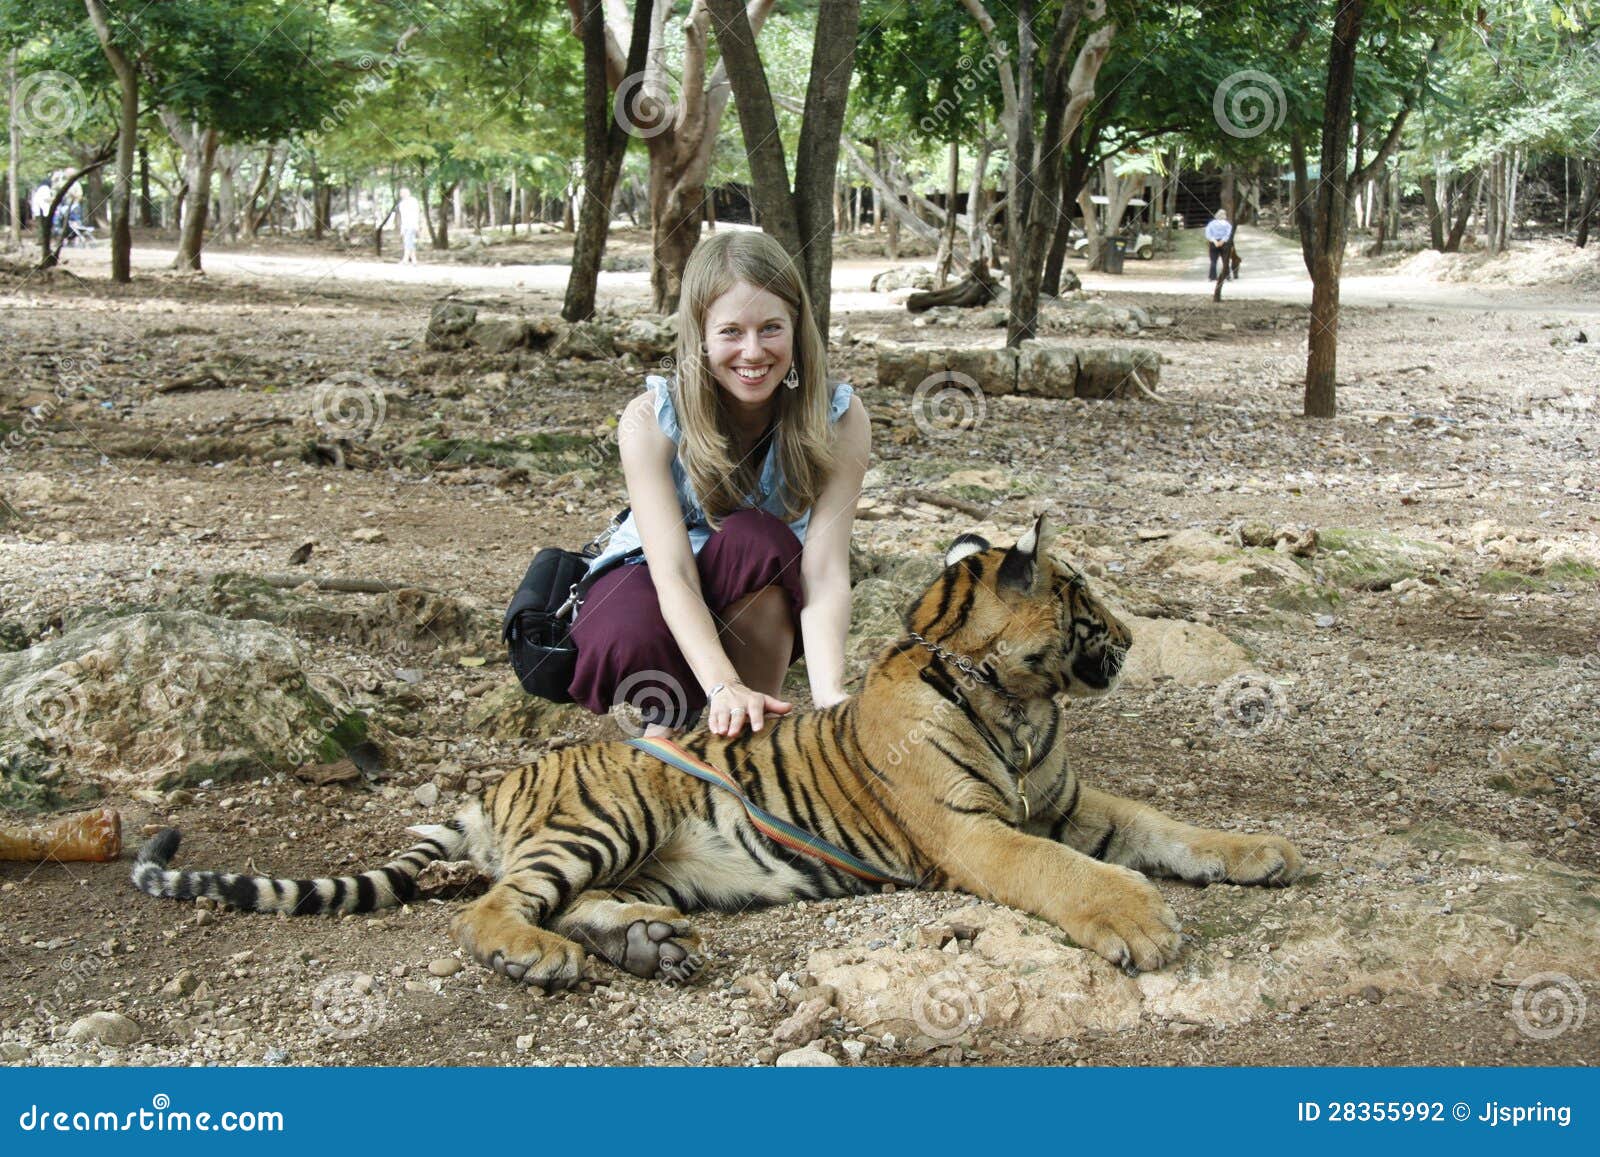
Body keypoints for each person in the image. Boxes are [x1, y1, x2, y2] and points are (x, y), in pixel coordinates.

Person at [568, 229, 869, 739]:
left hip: (756, 585)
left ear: (797, 327)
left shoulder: (839, 418)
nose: (753, 352)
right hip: (652, 576)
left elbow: (823, 573)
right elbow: (675, 574)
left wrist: (829, 696)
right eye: (731, 331)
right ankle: (670, 730)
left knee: (759, 538)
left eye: (771, 328)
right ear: (700, 336)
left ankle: (747, 731)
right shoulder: (650, 420)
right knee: (627, 631)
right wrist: (720, 684)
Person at [1205, 209, 1234, 281]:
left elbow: (1208, 234)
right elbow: (1229, 233)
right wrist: (1223, 240)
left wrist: (1214, 241)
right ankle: (1227, 276)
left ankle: (1212, 277)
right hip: (1225, 244)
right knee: (1225, 260)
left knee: (1213, 260)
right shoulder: (1227, 224)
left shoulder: (1211, 224)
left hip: (1213, 243)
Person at [396, 187, 420, 265]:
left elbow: (416, 214)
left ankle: (405, 259)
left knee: (407, 241)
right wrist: (402, 229)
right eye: (401, 193)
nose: (402, 195)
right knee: (409, 242)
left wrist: (416, 226)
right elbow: (403, 217)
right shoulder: (401, 204)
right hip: (405, 225)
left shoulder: (413, 201)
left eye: (403, 193)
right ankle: (414, 260)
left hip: (412, 224)